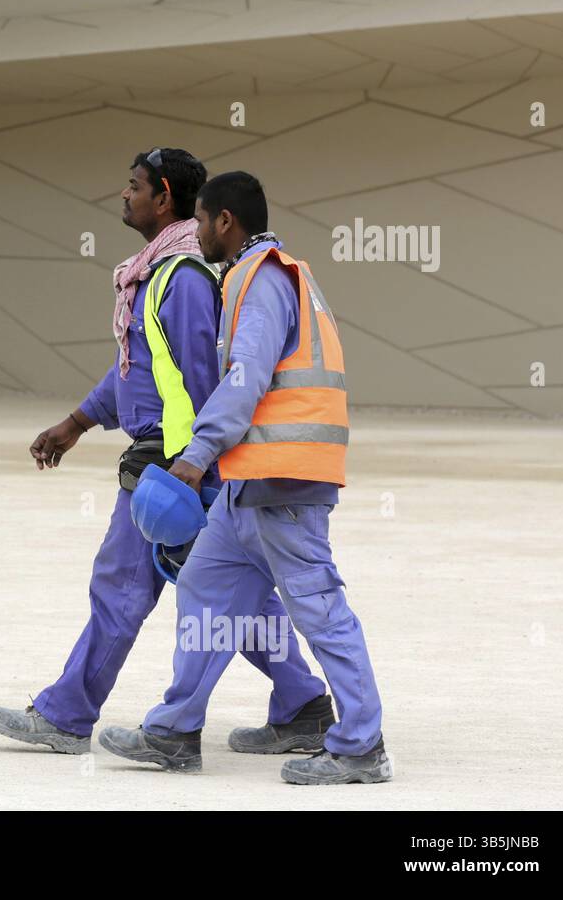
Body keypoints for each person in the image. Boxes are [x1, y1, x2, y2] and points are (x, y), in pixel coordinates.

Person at [0, 152, 330, 757]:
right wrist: (77, 422)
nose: (124, 194)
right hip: (173, 462)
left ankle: (68, 715)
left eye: (135, 186)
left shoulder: (185, 280)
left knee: (124, 584)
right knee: (229, 597)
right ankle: (303, 706)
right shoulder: (154, 275)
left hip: (173, 466)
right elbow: (139, 372)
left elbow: (204, 381)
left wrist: (192, 470)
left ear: (162, 197)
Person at [97, 171, 392, 783]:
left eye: (200, 221)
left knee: (318, 609)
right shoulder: (267, 276)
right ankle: (175, 731)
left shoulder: (260, 281)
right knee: (204, 587)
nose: (195, 232)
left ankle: (361, 745)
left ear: (224, 222)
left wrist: (195, 454)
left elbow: (246, 379)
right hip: (249, 485)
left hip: (284, 479)